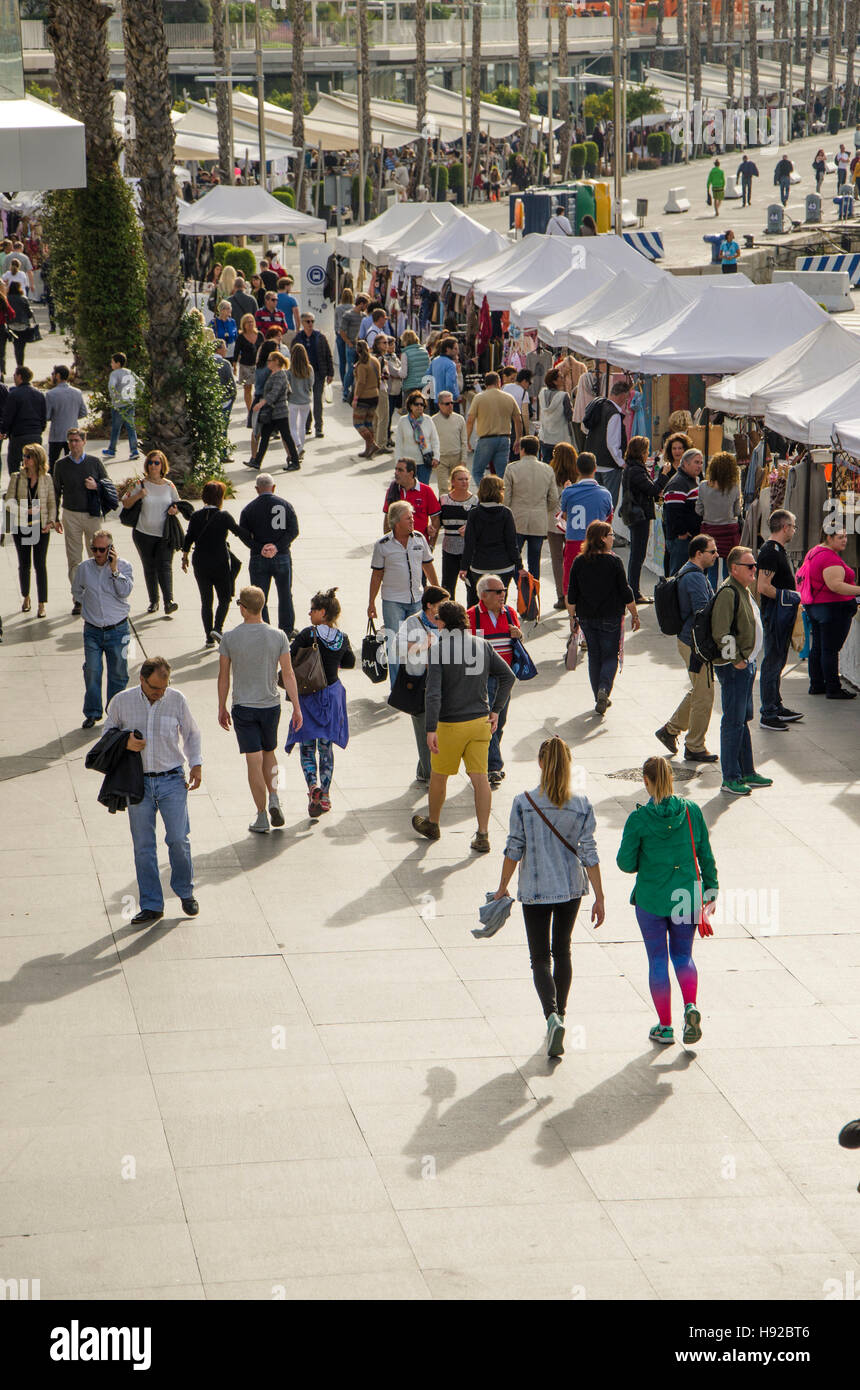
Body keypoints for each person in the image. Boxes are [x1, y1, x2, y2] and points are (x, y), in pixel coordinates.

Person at [492, 737, 605, 1057]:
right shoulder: (581, 804)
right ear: (568, 765)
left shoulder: (523, 802)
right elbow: (590, 854)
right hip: (570, 889)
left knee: (540, 958)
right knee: (563, 951)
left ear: (540, 763)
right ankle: (563, 1015)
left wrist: (502, 886)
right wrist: (600, 896)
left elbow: (514, 848)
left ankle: (551, 1016)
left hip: (536, 890)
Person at [617, 756, 717, 1046]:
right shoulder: (691, 812)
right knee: (683, 956)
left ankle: (665, 1026)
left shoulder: (638, 820)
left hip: (651, 898)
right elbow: (706, 855)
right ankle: (691, 1006)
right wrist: (710, 894)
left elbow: (625, 863)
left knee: (657, 959)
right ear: (671, 778)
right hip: (686, 896)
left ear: (645, 782)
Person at [103, 657, 202, 926]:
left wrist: (196, 765)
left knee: (179, 840)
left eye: (164, 687)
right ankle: (151, 904)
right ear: (142, 680)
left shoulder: (176, 699)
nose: (161, 693)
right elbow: (107, 733)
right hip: (138, 783)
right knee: (144, 847)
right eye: (155, 688)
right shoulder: (122, 701)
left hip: (172, 780)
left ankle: (185, 891)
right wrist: (125, 742)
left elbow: (192, 733)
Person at [412, 599, 515, 853]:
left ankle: (433, 824)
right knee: (480, 779)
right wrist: (496, 711)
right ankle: (482, 834)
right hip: (480, 722)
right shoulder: (482, 645)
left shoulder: (438, 649)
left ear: (442, 623)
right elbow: (508, 677)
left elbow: (433, 693)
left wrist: (430, 728)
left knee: (439, 776)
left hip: (449, 725)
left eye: (436, 620)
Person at [218, 585, 302, 834]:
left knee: (253, 762)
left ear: (243, 609)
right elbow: (288, 674)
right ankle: (276, 796)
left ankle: (261, 815)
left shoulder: (230, 638)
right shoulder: (278, 636)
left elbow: (224, 677)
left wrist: (221, 706)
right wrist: (297, 707)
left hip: (244, 707)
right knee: (270, 753)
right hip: (271, 705)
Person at [286, 587, 355, 818]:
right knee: (326, 748)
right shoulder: (342, 637)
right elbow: (350, 661)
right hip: (332, 695)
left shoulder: (308, 634)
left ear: (323, 612)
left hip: (308, 696)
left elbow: (289, 656)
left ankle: (312, 786)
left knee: (306, 746)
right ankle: (325, 795)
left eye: (313, 609)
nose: (309, 613)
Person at [711, 545, 774, 796]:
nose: (754, 570)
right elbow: (721, 631)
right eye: (750, 566)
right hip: (735, 668)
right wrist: (735, 660)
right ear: (735, 568)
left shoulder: (743, 589)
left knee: (742, 720)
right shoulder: (729, 592)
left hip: (746, 665)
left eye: (755, 565)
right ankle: (731, 777)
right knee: (733, 722)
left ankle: (746, 770)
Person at [655, 534, 719, 763]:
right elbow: (703, 612)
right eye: (712, 551)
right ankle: (694, 746)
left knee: (699, 690)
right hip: (695, 644)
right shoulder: (695, 578)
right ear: (699, 553)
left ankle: (670, 730)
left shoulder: (690, 571)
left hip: (689, 641)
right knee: (704, 695)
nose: (716, 555)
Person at [568, 520, 640, 715]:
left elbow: (571, 594)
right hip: (611, 617)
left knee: (595, 657)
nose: (613, 538)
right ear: (601, 538)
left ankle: (599, 695)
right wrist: (634, 613)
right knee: (610, 656)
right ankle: (604, 690)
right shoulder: (614, 561)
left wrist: (572, 618)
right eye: (611, 535)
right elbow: (626, 592)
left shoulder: (579, 561)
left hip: (587, 618)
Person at [368, 500, 438, 685]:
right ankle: (397, 688)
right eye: (409, 518)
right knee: (395, 645)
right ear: (396, 522)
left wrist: (438, 590)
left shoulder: (419, 538)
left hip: (417, 599)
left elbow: (428, 565)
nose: (413, 520)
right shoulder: (382, 545)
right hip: (393, 602)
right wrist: (371, 603)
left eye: (412, 517)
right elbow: (376, 575)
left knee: (419, 643)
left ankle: (416, 684)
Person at [72, 528, 133, 729]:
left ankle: (114, 714)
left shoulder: (124, 566)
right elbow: (77, 590)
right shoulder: (84, 568)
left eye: (101, 550)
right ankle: (92, 712)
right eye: (94, 549)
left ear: (111, 549)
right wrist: (88, 605)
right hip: (92, 630)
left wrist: (114, 570)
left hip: (120, 630)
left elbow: (125, 592)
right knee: (92, 670)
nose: (97, 554)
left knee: (119, 673)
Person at [467, 573, 522, 788]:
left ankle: (485, 761)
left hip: (505, 678)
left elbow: (518, 643)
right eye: (498, 591)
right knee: (490, 721)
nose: (503, 595)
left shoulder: (510, 613)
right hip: (484, 678)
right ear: (483, 595)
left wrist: (518, 635)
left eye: (504, 591)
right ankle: (493, 766)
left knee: (500, 722)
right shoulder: (471, 615)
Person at [182, 480, 251, 647]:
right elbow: (239, 532)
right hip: (219, 562)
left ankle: (208, 638)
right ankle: (218, 628)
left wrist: (184, 557)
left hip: (200, 562)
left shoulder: (196, 516)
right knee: (224, 598)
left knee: (206, 601)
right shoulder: (223, 516)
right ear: (220, 497)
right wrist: (254, 536)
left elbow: (189, 537)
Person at [797, 525, 860, 699]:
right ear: (829, 538)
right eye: (840, 537)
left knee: (818, 647)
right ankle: (833, 687)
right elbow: (836, 585)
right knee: (830, 650)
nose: (845, 540)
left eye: (846, 536)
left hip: (816, 606)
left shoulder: (815, 552)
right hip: (832, 608)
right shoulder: (829, 558)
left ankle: (817, 684)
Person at [755, 508, 803, 729]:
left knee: (779, 659)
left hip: (780, 613)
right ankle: (768, 712)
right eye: (793, 526)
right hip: (775, 614)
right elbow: (763, 587)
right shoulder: (770, 552)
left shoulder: (777, 550)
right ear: (785, 527)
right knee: (773, 661)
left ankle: (776, 704)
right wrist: (788, 596)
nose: (794, 530)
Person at [396, 584, 448, 784]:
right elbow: (397, 648)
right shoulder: (413, 622)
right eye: (442, 604)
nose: (446, 607)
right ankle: (429, 774)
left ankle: (423, 769)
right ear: (429, 605)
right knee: (424, 732)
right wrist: (421, 645)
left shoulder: (446, 622)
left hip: (442, 686)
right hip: (420, 686)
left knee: (438, 732)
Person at [53, 428, 111, 604]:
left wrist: (96, 486)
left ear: (84, 442)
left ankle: (98, 593)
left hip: (92, 515)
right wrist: (55, 517)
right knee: (74, 559)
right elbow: (55, 492)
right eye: (70, 440)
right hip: (71, 514)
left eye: (77, 440)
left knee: (97, 556)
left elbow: (108, 487)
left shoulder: (95, 462)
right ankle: (78, 597)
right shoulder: (60, 465)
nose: (73, 444)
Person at [239, 472, 300, 637]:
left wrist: (261, 548)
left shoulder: (249, 509)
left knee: (259, 597)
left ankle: (263, 629)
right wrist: (277, 547)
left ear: (257, 489)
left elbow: (243, 535)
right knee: (285, 593)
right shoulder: (285, 505)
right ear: (273, 487)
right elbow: (293, 530)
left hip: (259, 558)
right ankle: (286, 629)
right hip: (282, 557)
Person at [121, 450, 180, 616]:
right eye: (151, 462)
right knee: (150, 567)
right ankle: (154, 601)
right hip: (143, 533)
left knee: (165, 566)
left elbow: (177, 504)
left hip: (165, 534)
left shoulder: (170, 486)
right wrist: (139, 495)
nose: (153, 466)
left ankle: (169, 601)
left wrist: (174, 510)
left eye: (157, 463)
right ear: (147, 465)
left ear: (162, 466)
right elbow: (125, 503)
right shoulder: (139, 484)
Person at [3, 442, 56, 618]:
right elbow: (9, 502)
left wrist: (51, 522)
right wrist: (26, 511)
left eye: (28, 456)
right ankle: (26, 596)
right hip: (21, 526)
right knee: (24, 564)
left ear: (37, 459)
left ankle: (42, 603)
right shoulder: (17, 477)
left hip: (40, 527)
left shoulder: (46, 478)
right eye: (24, 456)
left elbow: (51, 502)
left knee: (40, 564)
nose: (25, 459)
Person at [503, 434, 559, 581]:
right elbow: (553, 499)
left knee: (514, 558)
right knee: (535, 560)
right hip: (539, 520)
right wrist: (542, 509)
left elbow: (506, 498)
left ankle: (519, 585)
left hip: (516, 519)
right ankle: (532, 593)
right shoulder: (547, 470)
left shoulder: (512, 468)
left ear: (522, 449)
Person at [557, 450, 613, 598]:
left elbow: (564, 515)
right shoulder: (605, 493)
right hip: (597, 542)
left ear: (577, 469)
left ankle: (572, 613)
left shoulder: (568, 492)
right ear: (595, 469)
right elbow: (609, 517)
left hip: (574, 541)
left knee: (570, 578)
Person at [460, 472, 520, 608]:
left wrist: (463, 567)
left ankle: (481, 629)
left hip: (480, 567)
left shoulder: (474, 514)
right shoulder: (506, 513)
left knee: (481, 604)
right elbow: (512, 543)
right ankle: (499, 627)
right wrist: (519, 565)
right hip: (503, 566)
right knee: (500, 603)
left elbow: (469, 543)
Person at [620, 435, 663, 603]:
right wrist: (664, 475)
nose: (647, 454)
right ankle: (634, 592)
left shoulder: (632, 468)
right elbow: (652, 490)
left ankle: (633, 590)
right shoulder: (636, 470)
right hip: (639, 516)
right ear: (640, 452)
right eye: (646, 451)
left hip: (635, 515)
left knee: (636, 554)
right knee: (638, 555)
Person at [245, 351, 301, 472]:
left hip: (280, 413)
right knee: (265, 437)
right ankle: (257, 461)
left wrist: (261, 403)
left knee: (286, 436)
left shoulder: (280, 375)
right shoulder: (274, 374)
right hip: (273, 413)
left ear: (276, 362)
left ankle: (295, 461)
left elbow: (274, 393)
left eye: (270, 360)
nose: (268, 363)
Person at [467, 372, 522, 483]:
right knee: (501, 474)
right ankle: (500, 496)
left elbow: (470, 421)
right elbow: (518, 420)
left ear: (485, 384)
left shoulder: (479, 398)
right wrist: (518, 438)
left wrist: (467, 440)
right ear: (498, 382)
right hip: (504, 438)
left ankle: (485, 494)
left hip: (486, 439)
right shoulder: (508, 397)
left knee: (477, 472)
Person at [585, 378, 630, 512]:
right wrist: (621, 462)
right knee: (609, 506)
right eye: (626, 398)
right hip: (610, 466)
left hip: (595, 463)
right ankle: (605, 531)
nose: (625, 401)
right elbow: (612, 443)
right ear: (622, 395)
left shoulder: (599, 406)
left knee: (596, 504)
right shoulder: (614, 414)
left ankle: (596, 530)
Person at [696, 449, 741, 581]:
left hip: (709, 530)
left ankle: (712, 597)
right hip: (729, 532)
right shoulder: (734, 487)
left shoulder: (704, 486)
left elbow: (698, 510)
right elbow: (737, 511)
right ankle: (726, 594)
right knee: (728, 568)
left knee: (711, 568)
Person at [661, 446, 703, 576]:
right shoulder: (678, 483)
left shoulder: (691, 481)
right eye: (696, 462)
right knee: (678, 576)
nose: (699, 466)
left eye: (701, 463)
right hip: (680, 540)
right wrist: (682, 533)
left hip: (688, 539)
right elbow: (674, 513)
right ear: (685, 463)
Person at [437, 464, 477, 600]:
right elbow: (437, 522)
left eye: (466, 479)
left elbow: (482, 526)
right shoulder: (444, 500)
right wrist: (432, 528)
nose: (464, 482)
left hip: (469, 550)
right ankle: (449, 617)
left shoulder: (475, 501)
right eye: (460, 479)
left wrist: (471, 529)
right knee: (447, 587)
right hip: (449, 549)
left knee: (472, 586)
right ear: (452, 482)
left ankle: (472, 617)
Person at [293, 311, 334, 438]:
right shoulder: (298, 338)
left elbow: (328, 355)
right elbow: (293, 356)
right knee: (305, 400)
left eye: (312, 321)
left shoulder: (320, 337)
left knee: (317, 400)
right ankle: (307, 424)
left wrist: (330, 373)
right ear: (302, 323)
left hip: (318, 372)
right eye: (308, 321)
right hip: (302, 374)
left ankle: (319, 427)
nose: (311, 324)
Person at [0, 364, 46, 476]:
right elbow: (43, 416)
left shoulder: (14, 394)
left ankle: (16, 488)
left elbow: (8, 416)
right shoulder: (39, 394)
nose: (14, 377)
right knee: (35, 463)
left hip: (19, 435)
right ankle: (33, 488)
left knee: (14, 464)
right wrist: (39, 430)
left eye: (15, 375)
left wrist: (3, 431)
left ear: (19, 376)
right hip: (35, 434)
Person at [383, 455, 441, 542]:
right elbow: (387, 519)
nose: (396, 473)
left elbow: (436, 519)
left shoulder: (426, 491)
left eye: (400, 470)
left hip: (419, 545)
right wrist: (388, 544)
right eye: (396, 469)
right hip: (397, 546)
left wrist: (431, 546)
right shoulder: (392, 491)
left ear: (411, 473)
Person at [393, 390, 441, 486]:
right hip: (408, 463)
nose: (419, 407)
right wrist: (398, 462)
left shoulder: (428, 420)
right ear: (410, 406)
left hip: (424, 462)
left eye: (422, 404)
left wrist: (436, 457)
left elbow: (435, 440)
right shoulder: (403, 421)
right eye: (416, 404)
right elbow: (398, 443)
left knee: (423, 489)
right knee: (408, 488)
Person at [45, 364, 86, 472]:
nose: (52, 376)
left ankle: (54, 486)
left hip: (56, 434)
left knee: (53, 463)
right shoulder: (77, 392)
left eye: (53, 374)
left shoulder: (50, 394)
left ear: (58, 375)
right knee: (74, 461)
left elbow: (47, 416)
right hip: (73, 432)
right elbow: (83, 412)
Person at [536, 366, 575, 466]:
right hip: (560, 437)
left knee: (546, 463)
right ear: (554, 381)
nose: (563, 379)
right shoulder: (563, 396)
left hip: (545, 435)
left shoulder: (541, 393)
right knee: (560, 465)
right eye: (561, 377)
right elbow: (569, 416)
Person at [352, 339, 383, 459]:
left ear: (357, 351)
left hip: (364, 397)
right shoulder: (375, 361)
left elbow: (361, 383)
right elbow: (379, 378)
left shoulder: (361, 365)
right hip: (374, 395)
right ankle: (368, 449)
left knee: (358, 423)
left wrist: (355, 398)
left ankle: (372, 444)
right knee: (369, 422)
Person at [285, 340, 314, 459]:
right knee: (302, 426)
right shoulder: (309, 369)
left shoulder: (290, 370)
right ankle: (300, 450)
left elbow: (287, 386)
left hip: (293, 401)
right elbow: (311, 384)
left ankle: (299, 446)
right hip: (306, 401)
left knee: (292, 427)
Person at [340, 293, 367, 403]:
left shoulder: (364, 316)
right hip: (351, 346)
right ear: (361, 304)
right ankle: (346, 392)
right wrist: (348, 342)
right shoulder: (348, 315)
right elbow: (342, 330)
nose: (366, 307)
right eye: (365, 305)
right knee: (351, 370)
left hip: (361, 347)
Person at [3, 282, 35, 371]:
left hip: (11, 325)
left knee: (15, 346)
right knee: (21, 347)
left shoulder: (7, 299)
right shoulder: (23, 299)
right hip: (23, 326)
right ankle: (20, 365)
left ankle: (6, 367)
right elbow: (29, 314)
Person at [235, 314, 262, 411]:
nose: (250, 324)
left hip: (259, 366)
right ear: (244, 324)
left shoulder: (259, 335)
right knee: (247, 389)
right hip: (245, 365)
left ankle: (258, 408)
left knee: (259, 389)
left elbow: (264, 348)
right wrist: (234, 365)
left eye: (252, 321)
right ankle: (250, 410)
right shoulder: (241, 337)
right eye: (248, 322)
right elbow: (236, 351)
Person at [427, 336, 460, 412]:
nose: (457, 351)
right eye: (455, 348)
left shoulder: (434, 361)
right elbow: (450, 384)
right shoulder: (450, 364)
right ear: (448, 349)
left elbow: (428, 376)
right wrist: (455, 396)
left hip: (436, 400)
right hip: (448, 402)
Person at [399, 328, 430, 400]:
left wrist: (398, 370)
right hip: (425, 387)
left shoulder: (405, 353)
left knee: (410, 409)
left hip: (411, 387)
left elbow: (404, 374)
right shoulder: (425, 351)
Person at [334, 286, 354, 387]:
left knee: (342, 361)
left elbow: (336, 324)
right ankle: (350, 382)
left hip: (340, 335)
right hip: (351, 336)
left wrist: (337, 333)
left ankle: (343, 382)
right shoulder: (354, 308)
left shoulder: (338, 308)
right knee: (351, 361)